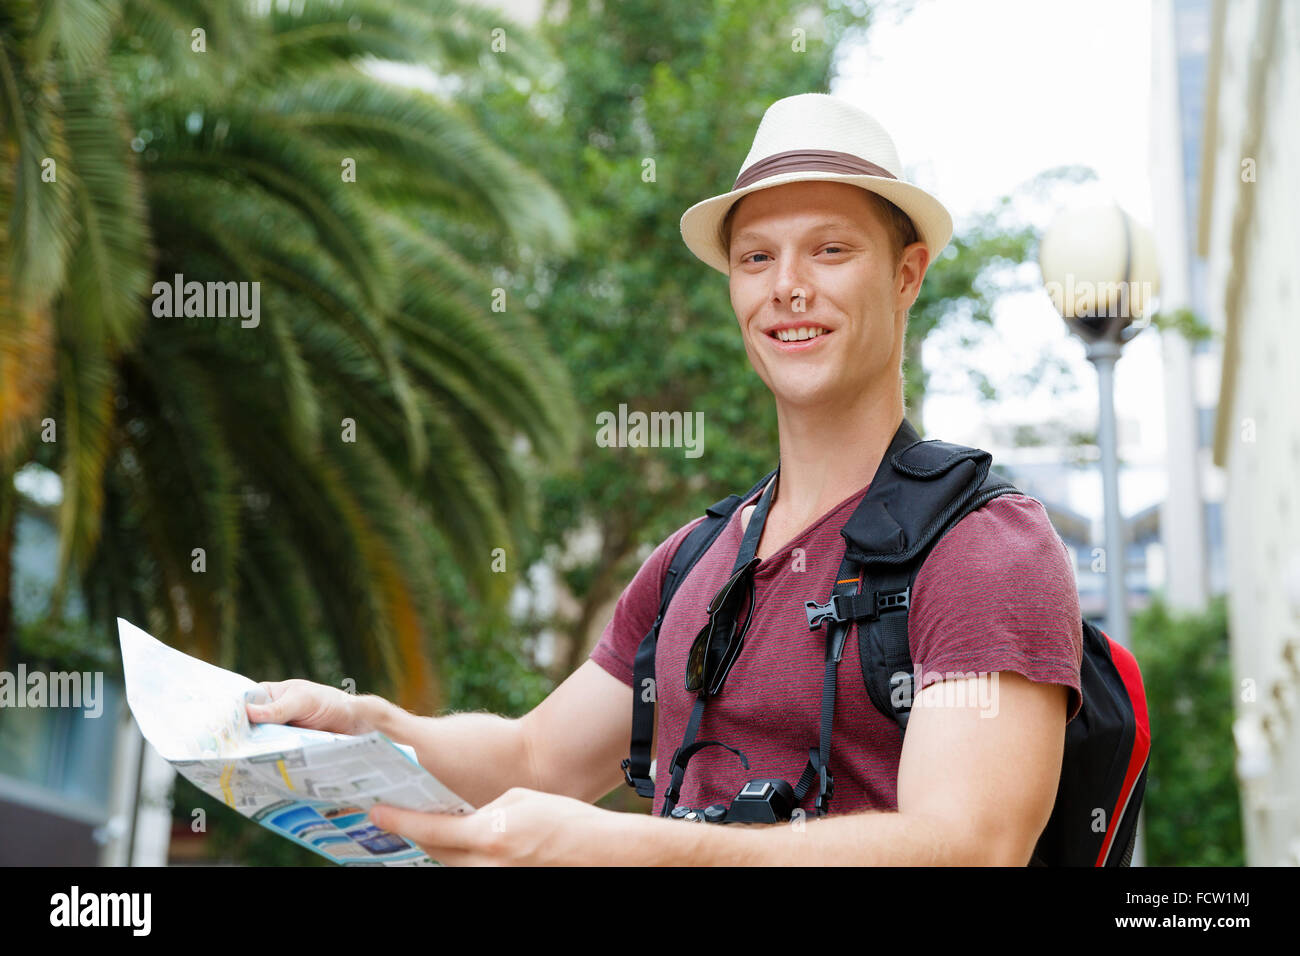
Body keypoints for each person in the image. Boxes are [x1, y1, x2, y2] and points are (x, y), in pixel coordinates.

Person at [247, 93, 1083, 865]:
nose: (788, 286)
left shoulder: (982, 546)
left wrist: (647, 852)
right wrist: (376, 729)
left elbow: (972, 847)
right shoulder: (693, 560)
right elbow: (537, 759)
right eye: (756, 257)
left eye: (830, 250)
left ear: (907, 275)